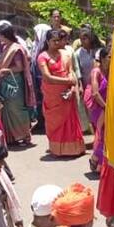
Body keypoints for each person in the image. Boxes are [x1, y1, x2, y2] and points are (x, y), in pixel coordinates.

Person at [37, 29, 84, 157]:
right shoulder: (43, 57)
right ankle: (58, 150)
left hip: (67, 93)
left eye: (58, 40)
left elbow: (70, 72)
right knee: (55, 122)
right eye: (54, 41)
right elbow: (47, 77)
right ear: (47, 42)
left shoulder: (65, 54)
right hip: (53, 95)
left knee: (70, 120)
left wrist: (72, 88)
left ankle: (74, 149)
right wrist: (67, 81)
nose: (57, 43)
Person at [0, 23, 37, 147]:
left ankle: (25, 135)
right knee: (7, 108)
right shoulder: (6, 47)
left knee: (17, 109)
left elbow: (19, 67)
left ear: (4, 35)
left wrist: (5, 70)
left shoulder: (15, 49)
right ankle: (11, 137)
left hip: (14, 83)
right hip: (6, 82)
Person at [85, 44, 110, 173]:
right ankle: (95, 159)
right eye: (109, 57)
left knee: (106, 135)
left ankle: (98, 162)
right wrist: (106, 107)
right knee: (102, 134)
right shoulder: (96, 72)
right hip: (99, 108)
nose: (111, 59)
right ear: (103, 58)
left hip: (106, 107)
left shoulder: (110, 71)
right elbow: (95, 93)